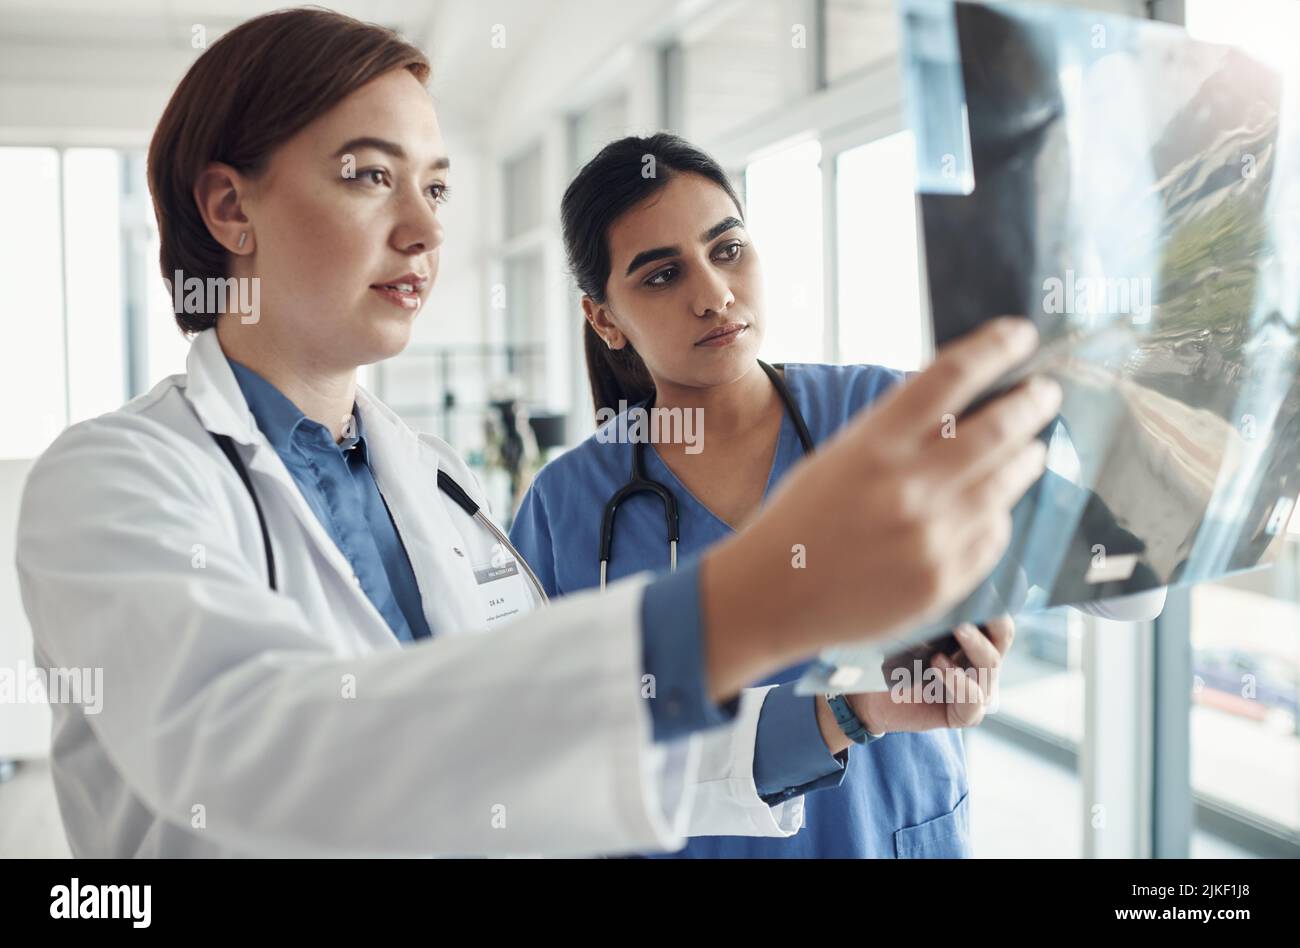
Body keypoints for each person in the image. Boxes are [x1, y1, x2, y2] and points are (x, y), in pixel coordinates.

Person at [15, 9, 1061, 858]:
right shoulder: (116, 480)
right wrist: (756, 604)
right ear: (229, 211)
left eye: (433, 186)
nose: (424, 230)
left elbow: (552, 748)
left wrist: (854, 715)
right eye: (370, 176)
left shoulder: (434, 491)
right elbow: (264, 754)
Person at [510, 133, 1165, 858]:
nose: (715, 295)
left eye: (727, 249)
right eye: (663, 276)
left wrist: (1097, 383)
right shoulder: (563, 504)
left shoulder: (889, 417)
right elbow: (543, 758)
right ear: (605, 318)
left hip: (889, 835)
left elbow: (1132, 591)